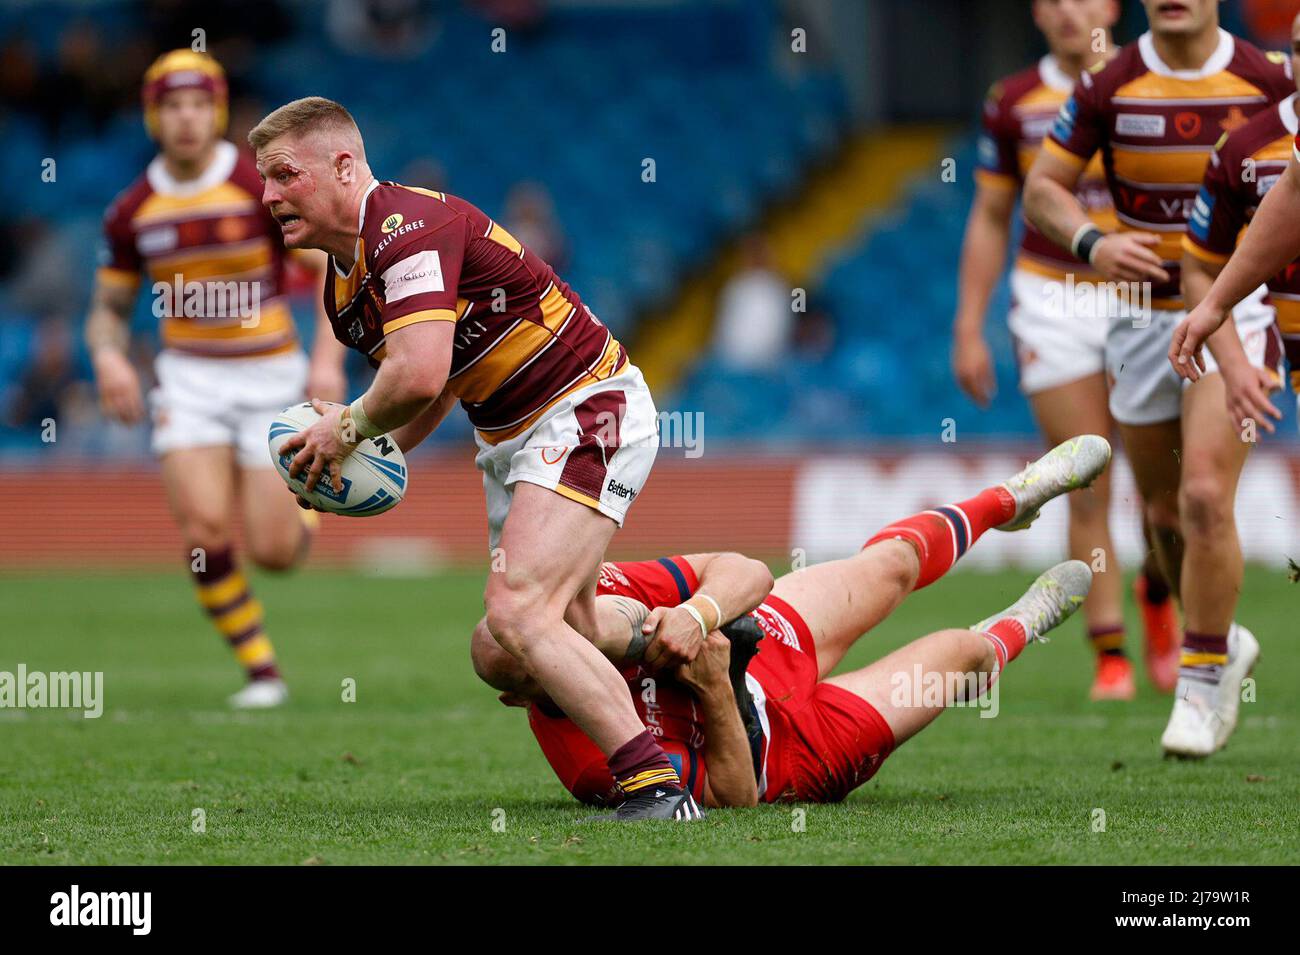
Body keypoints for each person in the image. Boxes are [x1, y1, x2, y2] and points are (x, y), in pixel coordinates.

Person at [252, 96, 697, 821]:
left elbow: (418, 374)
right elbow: (439, 386)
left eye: (283, 174)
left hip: (584, 403)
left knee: (519, 610)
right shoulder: (342, 288)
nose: (268, 195)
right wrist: (367, 456)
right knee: (507, 647)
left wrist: (348, 431)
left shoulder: (406, 229)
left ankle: (655, 784)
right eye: (264, 180)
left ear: (343, 166)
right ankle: (692, 632)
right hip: (513, 436)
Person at [472, 437, 1110, 808]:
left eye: (546, 627)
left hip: (758, 642)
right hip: (783, 749)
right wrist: (717, 688)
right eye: (541, 656)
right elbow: (735, 795)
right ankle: (1021, 624)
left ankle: (1010, 499)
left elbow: (746, 571)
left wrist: (699, 613)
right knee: (962, 653)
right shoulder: (591, 765)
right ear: (519, 697)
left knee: (888, 567)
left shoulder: (593, 588)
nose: (556, 638)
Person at [1022, 0, 1290, 757]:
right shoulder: (1111, 81)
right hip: (1141, 318)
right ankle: (1221, 636)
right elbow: (1043, 187)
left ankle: (1201, 684)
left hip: (1237, 311)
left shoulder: (1267, 77)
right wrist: (1091, 242)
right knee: (1163, 516)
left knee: (1206, 494)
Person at [86, 51, 346, 708]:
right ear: (153, 115)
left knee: (276, 552)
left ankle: (303, 516)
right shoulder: (131, 212)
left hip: (269, 378)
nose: (186, 118)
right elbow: (108, 311)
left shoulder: (257, 185)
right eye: (172, 105)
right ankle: (262, 671)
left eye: (199, 104)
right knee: (203, 532)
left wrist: (327, 360)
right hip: (189, 383)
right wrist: (110, 357)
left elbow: (322, 271)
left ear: (219, 111)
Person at [954, 0, 1179, 700]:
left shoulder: (1156, 84)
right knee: (1088, 476)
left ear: (1112, 6)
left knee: (1163, 496)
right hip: (1053, 297)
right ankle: (1110, 653)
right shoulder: (1013, 102)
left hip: (1148, 294)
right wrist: (969, 325)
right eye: (1050, 0)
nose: (1066, 11)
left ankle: (1158, 597)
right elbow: (993, 213)